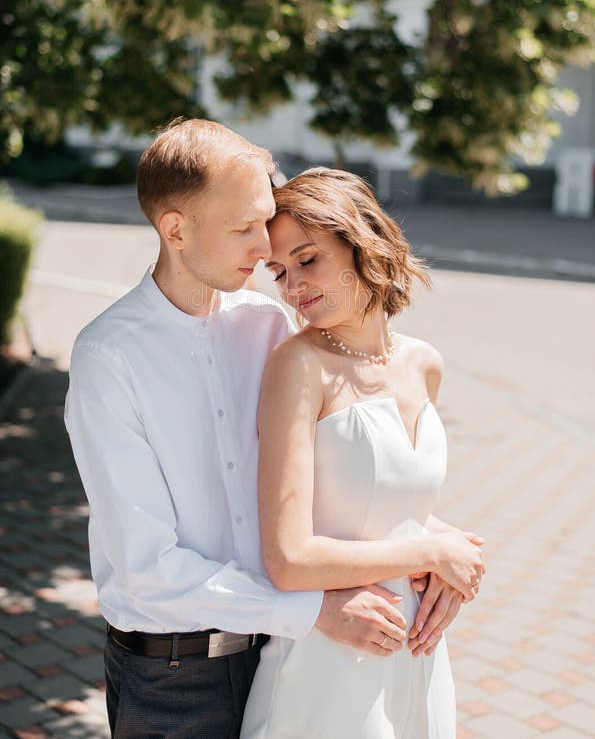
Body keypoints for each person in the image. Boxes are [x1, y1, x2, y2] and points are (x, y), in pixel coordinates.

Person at [64, 119, 418, 739]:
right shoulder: (107, 356)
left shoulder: (271, 327)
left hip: (287, 660)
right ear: (175, 229)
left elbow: (341, 475)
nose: (266, 247)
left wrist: (434, 554)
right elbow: (149, 568)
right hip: (175, 680)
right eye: (244, 228)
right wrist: (312, 612)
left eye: (264, 219)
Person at [240, 168, 485, 739]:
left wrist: (459, 556)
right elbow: (288, 557)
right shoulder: (298, 366)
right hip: (331, 658)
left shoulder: (425, 362)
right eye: (279, 271)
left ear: (360, 240)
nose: (293, 285)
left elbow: (388, 506)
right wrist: (429, 551)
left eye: (308, 259)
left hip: (416, 651)